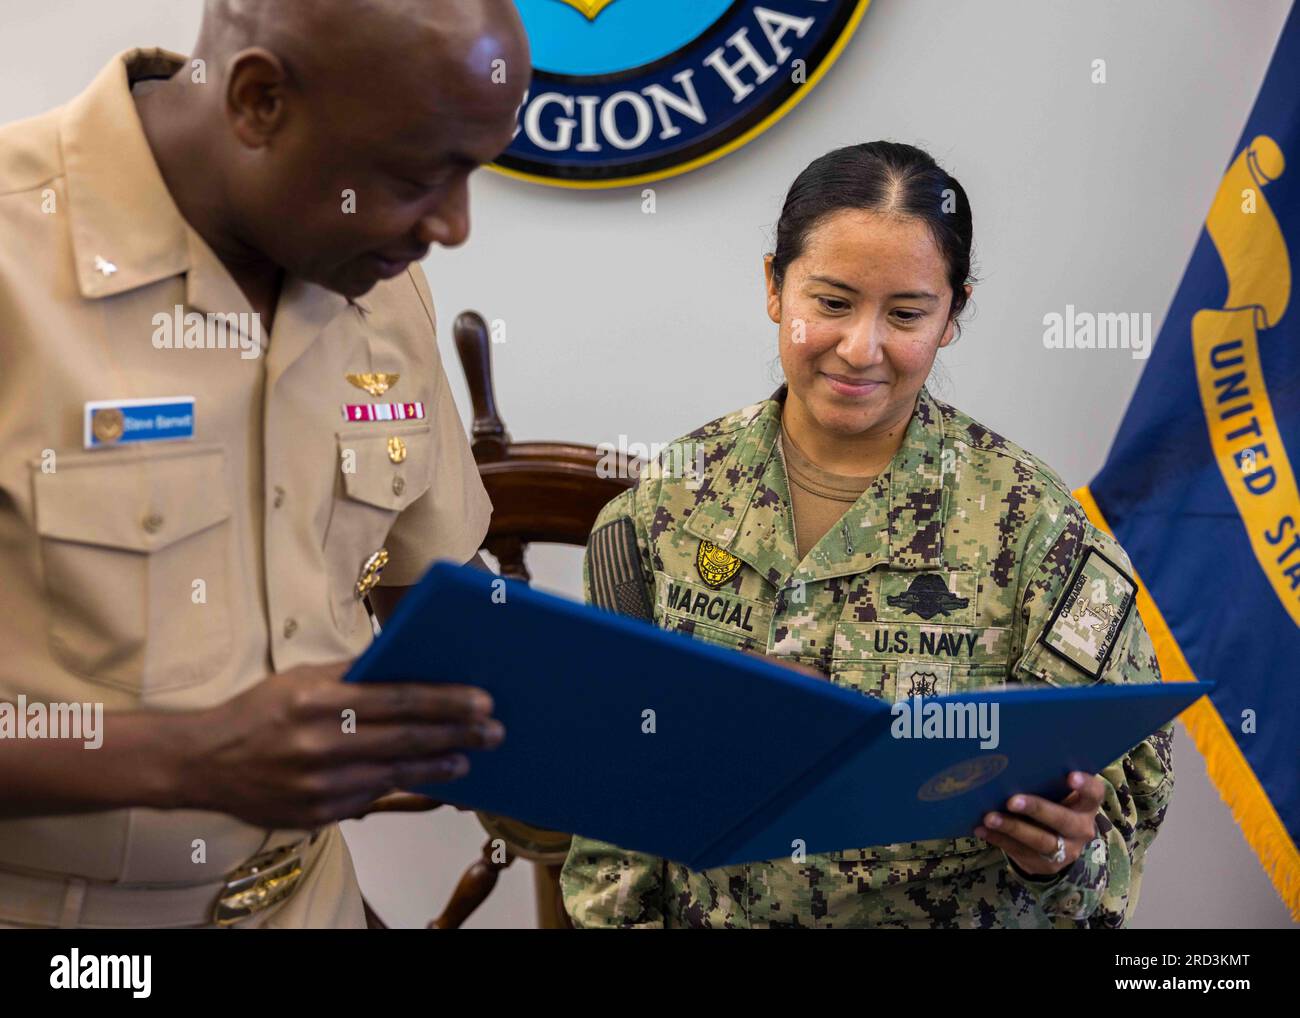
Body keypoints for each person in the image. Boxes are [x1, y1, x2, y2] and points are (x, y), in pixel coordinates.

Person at [0, 0, 530, 928]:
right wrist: (187, 759)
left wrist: (682, 729)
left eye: (474, 173)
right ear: (257, 101)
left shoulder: (373, 268)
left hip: (312, 902)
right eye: (419, 173)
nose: (454, 225)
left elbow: (433, 596)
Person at [561, 141, 1174, 929]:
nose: (861, 347)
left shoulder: (1036, 530)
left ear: (953, 315)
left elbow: (1120, 828)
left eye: (907, 314)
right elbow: (613, 809)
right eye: (832, 302)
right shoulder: (663, 509)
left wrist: (1058, 855)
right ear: (775, 288)